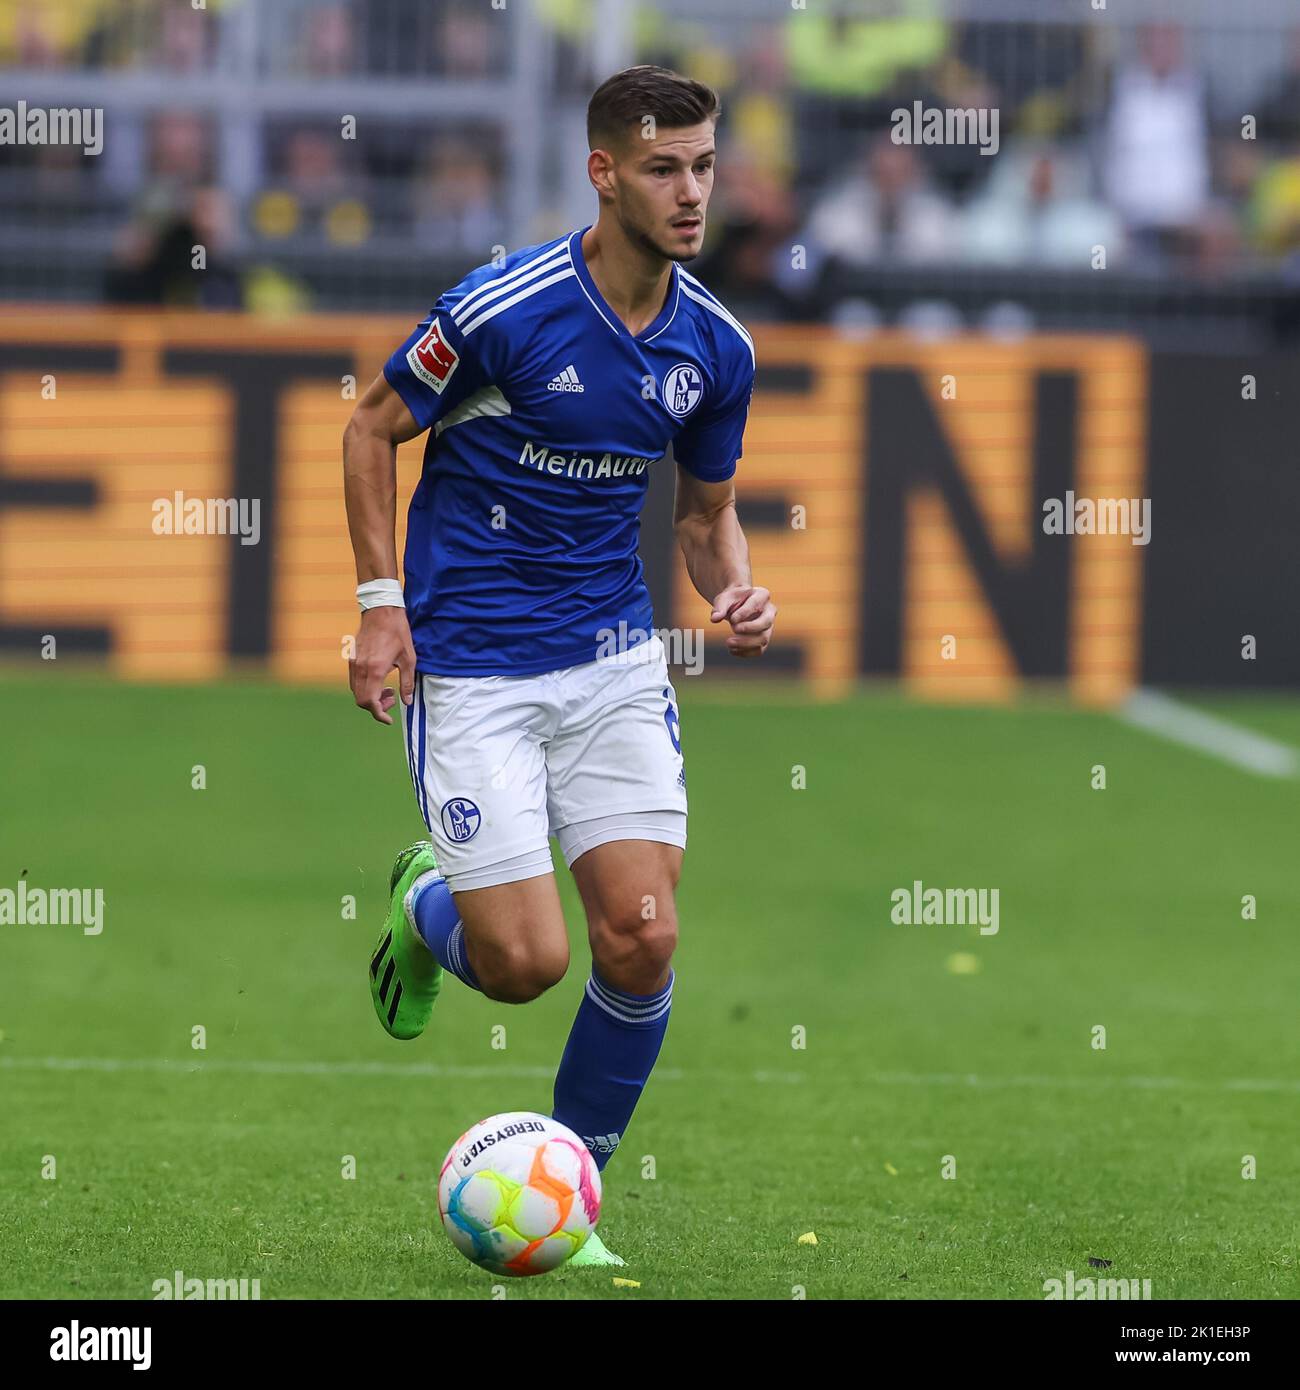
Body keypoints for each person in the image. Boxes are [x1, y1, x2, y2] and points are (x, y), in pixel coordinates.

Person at [342, 64, 777, 1270]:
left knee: (640, 937)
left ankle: (571, 1193)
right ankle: (425, 911)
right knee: (527, 964)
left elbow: (704, 514)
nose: (691, 194)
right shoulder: (504, 308)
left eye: (702, 166)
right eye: (661, 169)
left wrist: (728, 582)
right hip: (477, 669)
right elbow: (370, 424)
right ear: (602, 173)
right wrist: (383, 611)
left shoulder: (714, 346)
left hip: (613, 665)